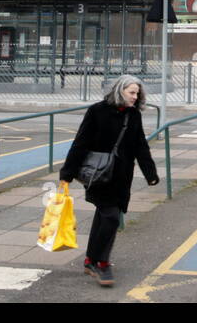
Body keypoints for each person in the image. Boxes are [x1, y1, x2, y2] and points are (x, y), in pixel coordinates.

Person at [59, 75, 159, 287]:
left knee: (105, 215)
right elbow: (81, 143)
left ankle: (89, 260)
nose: (135, 97)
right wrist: (67, 174)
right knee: (111, 216)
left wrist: (150, 173)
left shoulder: (133, 115)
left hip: (122, 176)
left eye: (137, 94)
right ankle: (101, 263)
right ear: (119, 90)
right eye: (131, 92)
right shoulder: (97, 111)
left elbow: (140, 145)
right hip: (100, 175)